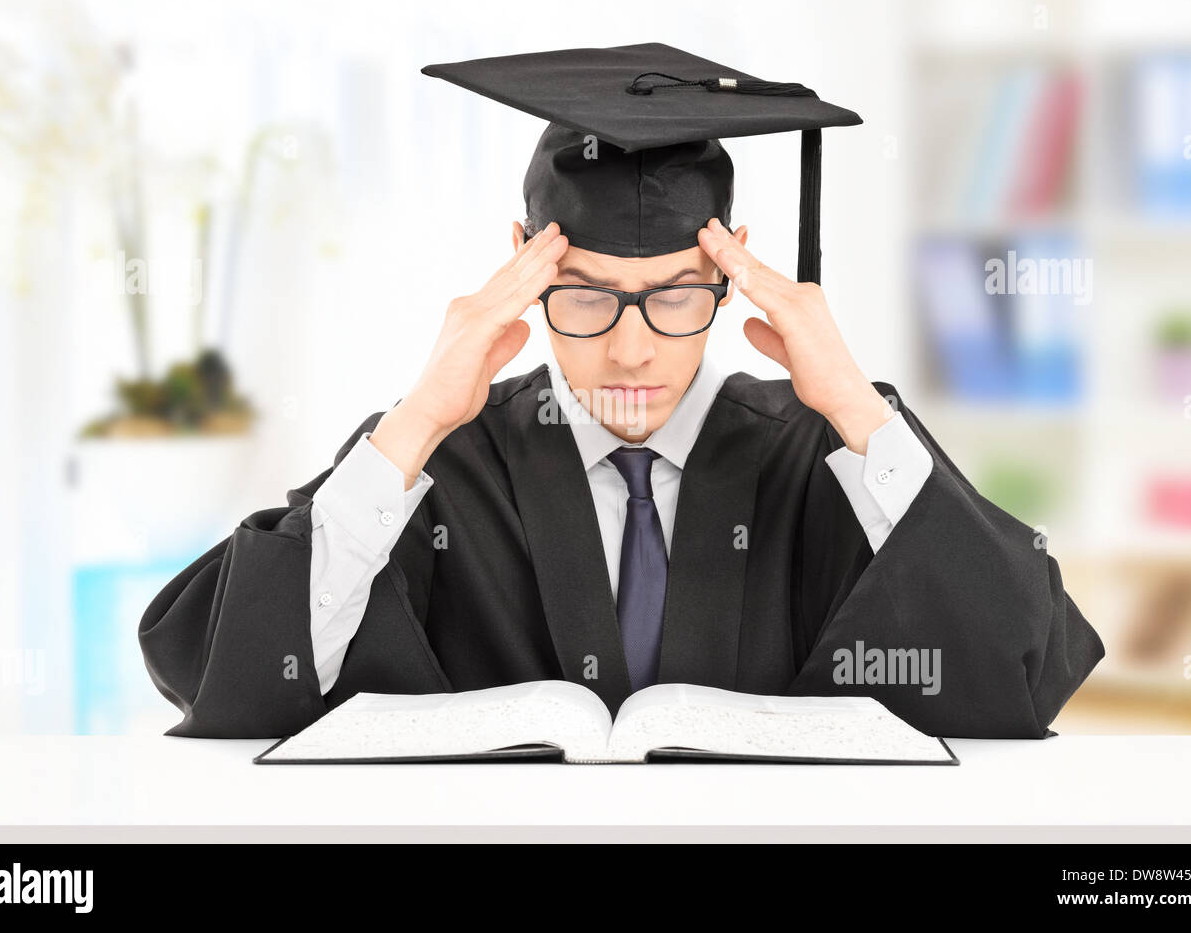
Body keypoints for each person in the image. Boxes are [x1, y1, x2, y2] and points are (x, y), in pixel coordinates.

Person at [139, 44, 1103, 739]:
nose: (633, 350)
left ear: (735, 272)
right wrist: (415, 419)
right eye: (588, 296)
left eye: (678, 296)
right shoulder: (437, 461)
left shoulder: (824, 458)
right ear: (523, 265)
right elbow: (214, 675)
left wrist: (854, 405)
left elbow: (1029, 661)